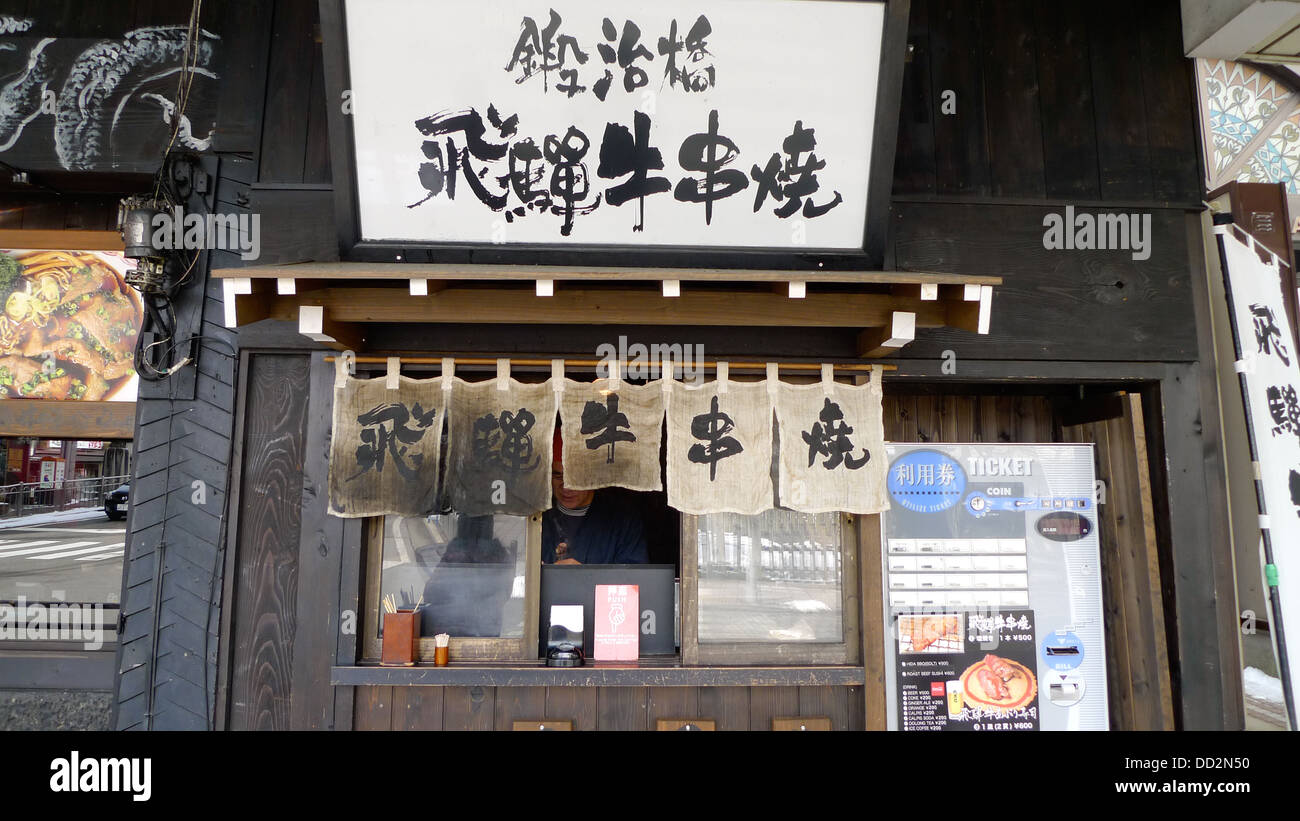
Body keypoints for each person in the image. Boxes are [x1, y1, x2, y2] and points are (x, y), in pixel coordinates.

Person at [543, 428, 649, 564]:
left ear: (592, 475)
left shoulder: (622, 520)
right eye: (558, 476)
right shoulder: (538, 517)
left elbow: (634, 578)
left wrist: (587, 577)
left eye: (575, 477)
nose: (566, 486)